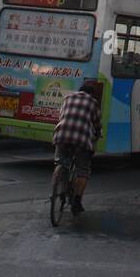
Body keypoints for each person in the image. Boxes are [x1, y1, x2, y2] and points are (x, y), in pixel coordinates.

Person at [52, 79, 102, 215]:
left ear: (80, 91)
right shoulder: (93, 103)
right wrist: (97, 134)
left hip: (61, 135)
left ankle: (58, 180)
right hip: (81, 140)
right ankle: (77, 201)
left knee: (60, 161)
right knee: (83, 170)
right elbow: (97, 124)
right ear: (92, 94)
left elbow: (61, 115)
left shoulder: (67, 98)